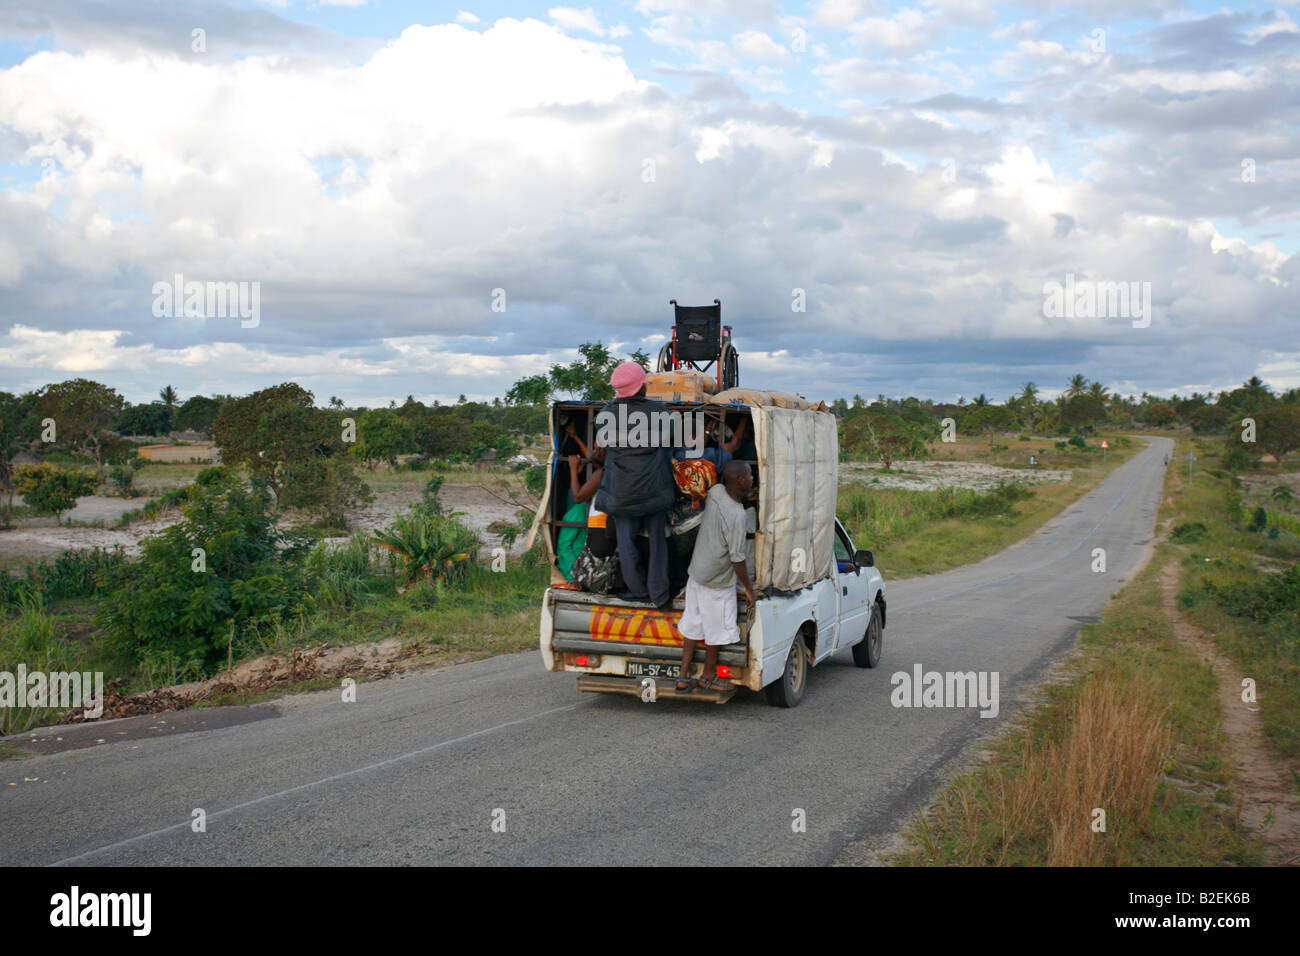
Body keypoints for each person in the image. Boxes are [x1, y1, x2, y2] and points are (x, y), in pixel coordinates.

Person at [593, 361, 677, 611]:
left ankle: (638, 592)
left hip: (622, 493)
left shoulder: (605, 415)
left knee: (626, 543)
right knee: (658, 543)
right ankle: (660, 595)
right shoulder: (659, 412)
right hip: (653, 491)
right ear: (641, 386)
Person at [675, 459, 756, 692]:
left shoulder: (716, 492)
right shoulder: (738, 516)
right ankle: (708, 676)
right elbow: (737, 559)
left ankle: (683, 675)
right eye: (749, 475)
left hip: (697, 572)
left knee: (692, 623)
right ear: (740, 480)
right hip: (716, 581)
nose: (752, 478)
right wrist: (749, 591)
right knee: (716, 629)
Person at [556, 448, 603, 580]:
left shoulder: (596, 509)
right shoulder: (580, 510)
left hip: (588, 570)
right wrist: (575, 574)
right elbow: (563, 545)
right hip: (575, 571)